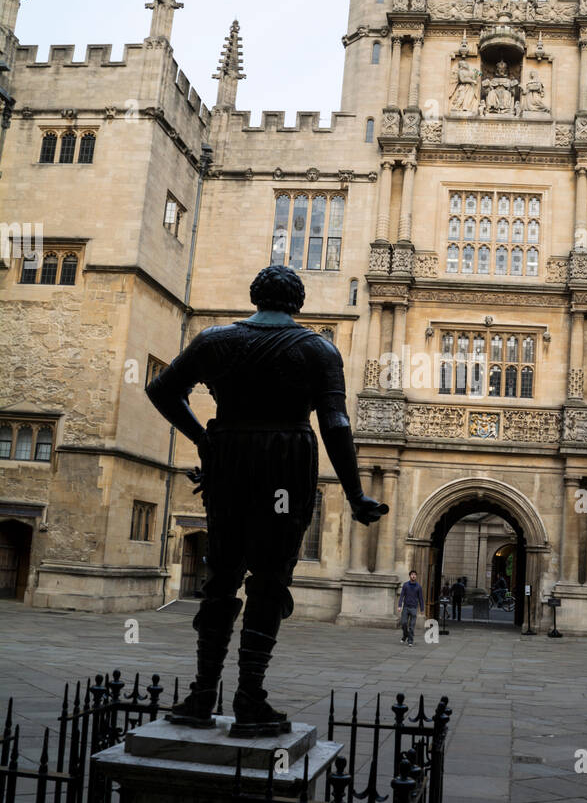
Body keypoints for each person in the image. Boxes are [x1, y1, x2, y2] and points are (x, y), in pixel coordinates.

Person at [146, 264, 386, 736]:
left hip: (229, 460)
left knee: (221, 577)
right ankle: (249, 698)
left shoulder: (215, 340)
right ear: (297, 302)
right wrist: (355, 493)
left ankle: (200, 696)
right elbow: (336, 424)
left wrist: (203, 439)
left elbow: (161, 389)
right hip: (284, 463)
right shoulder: (319, 348)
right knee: (270, 578)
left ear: (255, 296)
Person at [398, 570, 424, 646]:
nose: (413, 576)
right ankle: (405, 635)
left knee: (412, 626)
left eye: (415, 575)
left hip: (414, 608)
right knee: (403, 623)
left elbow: (421, 599)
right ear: (409, 576)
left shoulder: (418, 587)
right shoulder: (405, 585)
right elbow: (402, 595)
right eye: (412, 574)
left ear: (416, 576)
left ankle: (410, 640)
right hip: (406, 607)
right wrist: (399, 605)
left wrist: (422, 609)